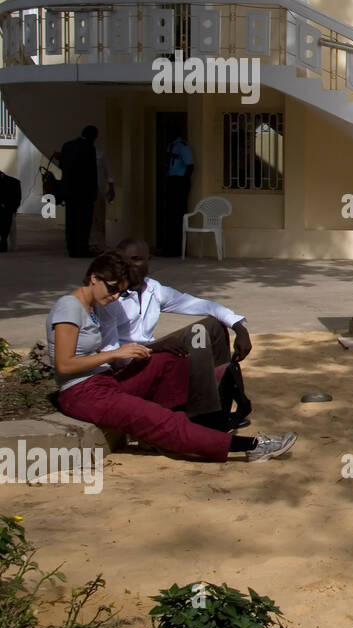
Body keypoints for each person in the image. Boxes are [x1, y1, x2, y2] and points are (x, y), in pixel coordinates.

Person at [47, 251, 295, 463]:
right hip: (82, 392)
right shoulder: (69, 307)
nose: (114, 297)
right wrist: (116, 354)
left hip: (105, 381)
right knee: (162, 421)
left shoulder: (95, 306)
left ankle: (204, 420)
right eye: (112, 289)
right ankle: (251, 447)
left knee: (170, 361)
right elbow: (64, 364)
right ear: (94, 278)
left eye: (119, 292)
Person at [100, 237, 253, 427]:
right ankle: (202, 417)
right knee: (196, 337)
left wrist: (239, 328)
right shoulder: (110, 296)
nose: (129, 266)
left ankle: (220, 409)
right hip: (129, 367)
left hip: (150, 353)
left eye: (137, 259)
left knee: (213, 326)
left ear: (149, 260)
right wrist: (154, 348)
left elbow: (203, 305)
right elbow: (112, 354)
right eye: (125, 261)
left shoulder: (153, 290)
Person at [57, 126, 99, 258]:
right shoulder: (89, 148)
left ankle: (71, 248)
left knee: (71, 220)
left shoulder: (67, 146)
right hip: (84, 192)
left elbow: (62, 166)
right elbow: (92, 172)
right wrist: (94, 191)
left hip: (69, 191)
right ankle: (82, 249)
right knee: (84, 222)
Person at [159, 134, 194, 257]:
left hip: (179, 181)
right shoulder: (171, 146)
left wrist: (182, 183)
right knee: (169, 215)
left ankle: (177, 249)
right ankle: (168, 247)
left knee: (178, 214)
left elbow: (190, 166)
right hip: (171, 180)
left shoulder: (183, 147)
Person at [89, 138, 116, 254]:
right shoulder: (82, 153)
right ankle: (91, 243)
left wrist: (111, 188)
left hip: (98, 189)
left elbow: (108, 172)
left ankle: (99, 244)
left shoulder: (100, 152)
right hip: (85, 190)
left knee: (98, 217)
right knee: (89, 218)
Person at [0, 169, 20, 252]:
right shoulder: (14, 182)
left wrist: (13, 209)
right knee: (10, 229)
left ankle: (11, 245)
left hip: (8, 209)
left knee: (11, 228)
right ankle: (10, 245)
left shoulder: (13, 182)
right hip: (9, 209)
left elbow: (17, 198)